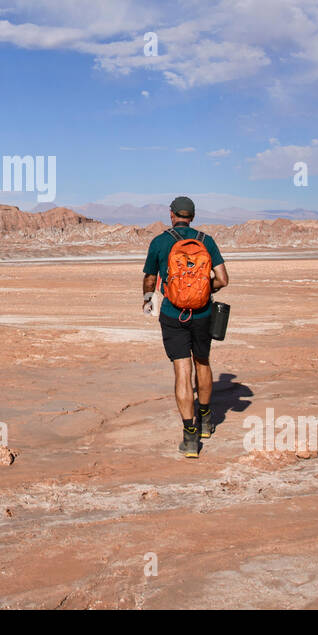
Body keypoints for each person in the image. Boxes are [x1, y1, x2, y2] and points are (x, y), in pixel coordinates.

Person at [141, 196, 229, 458]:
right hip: (202, 314)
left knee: (182, 369)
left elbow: (149, 278)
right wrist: (202, 291)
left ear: (171, 215)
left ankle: (190, 438)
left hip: (172, 312)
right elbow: (223, 279)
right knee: (202, 362)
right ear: (193, 216)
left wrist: (148, 301)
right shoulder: (206, 240)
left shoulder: (159, 242)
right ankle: (205, 421)